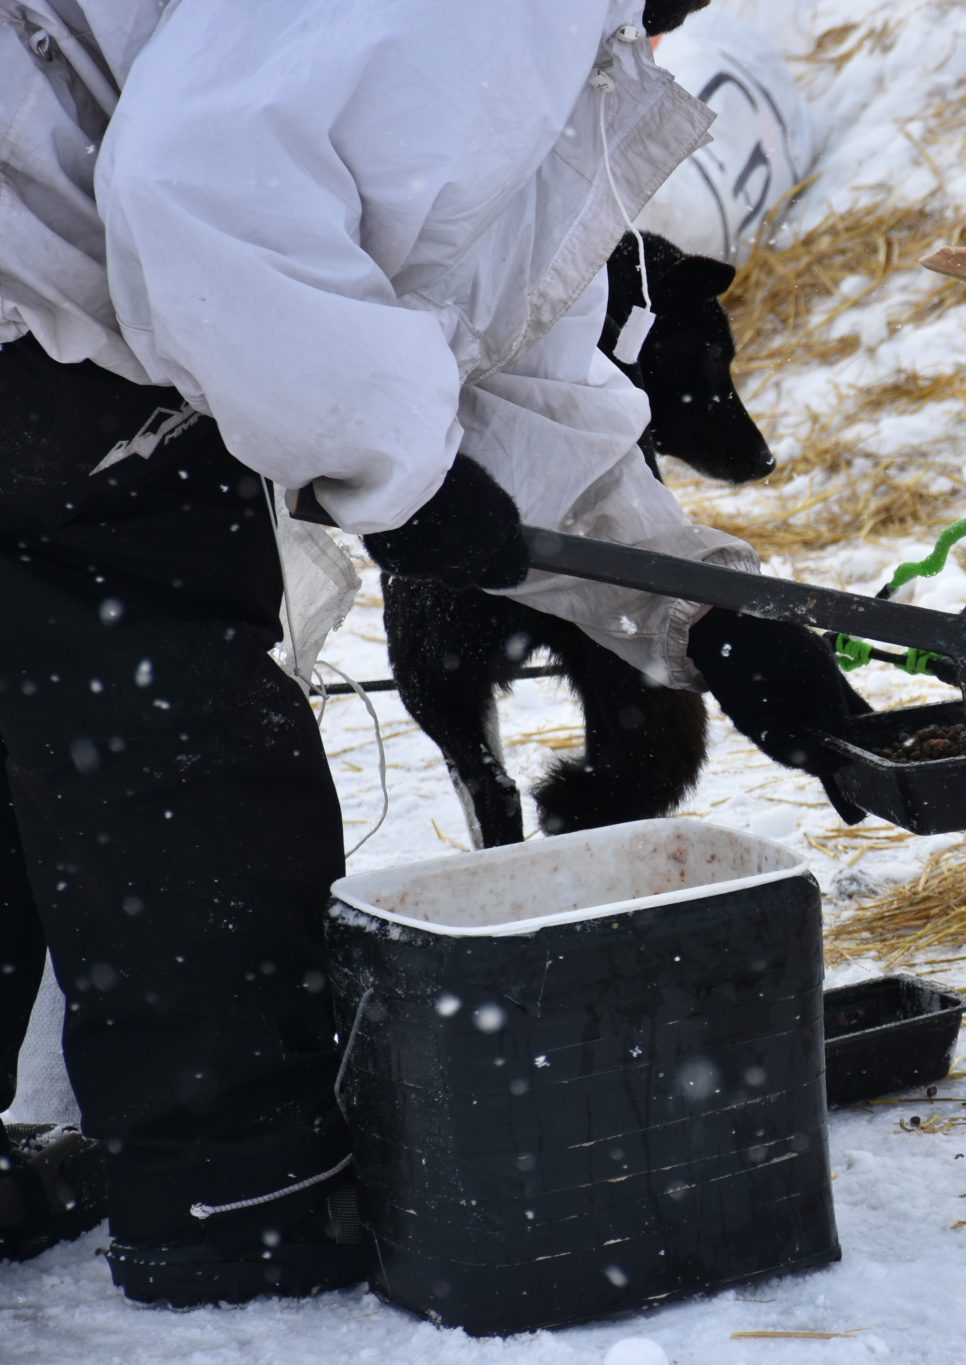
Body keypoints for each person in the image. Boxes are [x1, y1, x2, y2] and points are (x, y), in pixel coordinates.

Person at [0, 0, 867, 1305]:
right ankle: (242, 1194)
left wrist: (713, 619)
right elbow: (197, 185)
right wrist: (391, 458)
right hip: (48, 327)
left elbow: (500, 373)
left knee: (40, 734)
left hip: (42, 315)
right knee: (179, 749)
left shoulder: (554, 38)